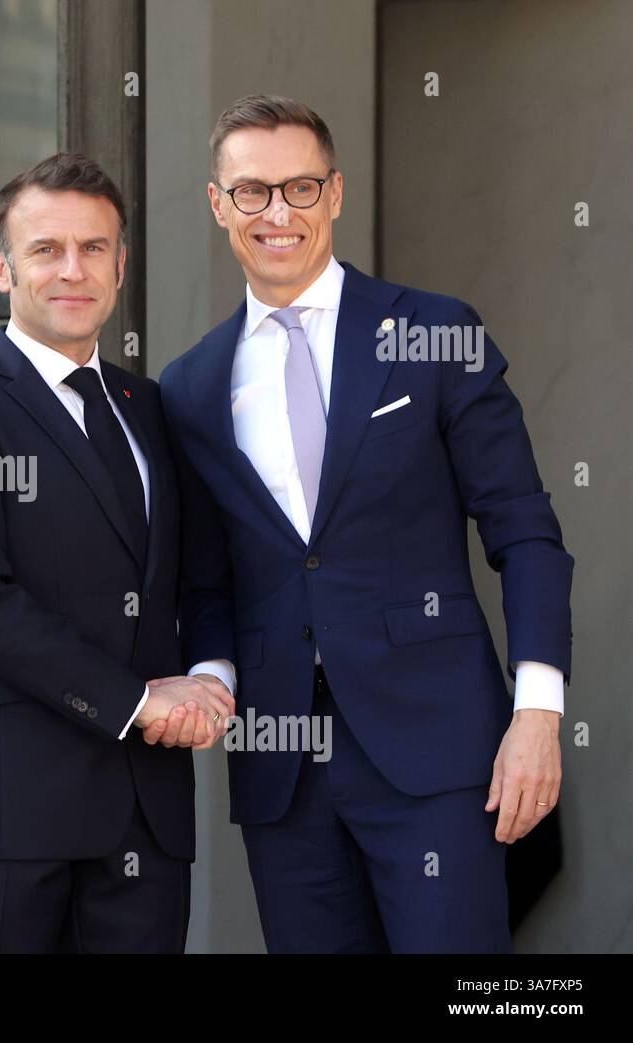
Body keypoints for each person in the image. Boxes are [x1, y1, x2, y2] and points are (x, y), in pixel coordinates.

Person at [158, 96, 573, 953]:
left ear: (336, 193)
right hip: (281, 768)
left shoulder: (432, 331)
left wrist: (538, 713)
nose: (278, 213)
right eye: (252, 192)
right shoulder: (191, 386)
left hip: (440, 752)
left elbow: (525, 529)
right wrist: (209, 673)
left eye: (301, 187)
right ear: (217, 204)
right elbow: (207, 580)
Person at [0, 154, 234, 953]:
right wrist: (139, 703)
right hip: (3, 812)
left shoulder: (155, 408)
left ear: (121, 265)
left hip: (145, 819)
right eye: (47, 249)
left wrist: (212, 681)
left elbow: (204, 578)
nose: (72, 270)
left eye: (94, 247)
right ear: (2, 266)